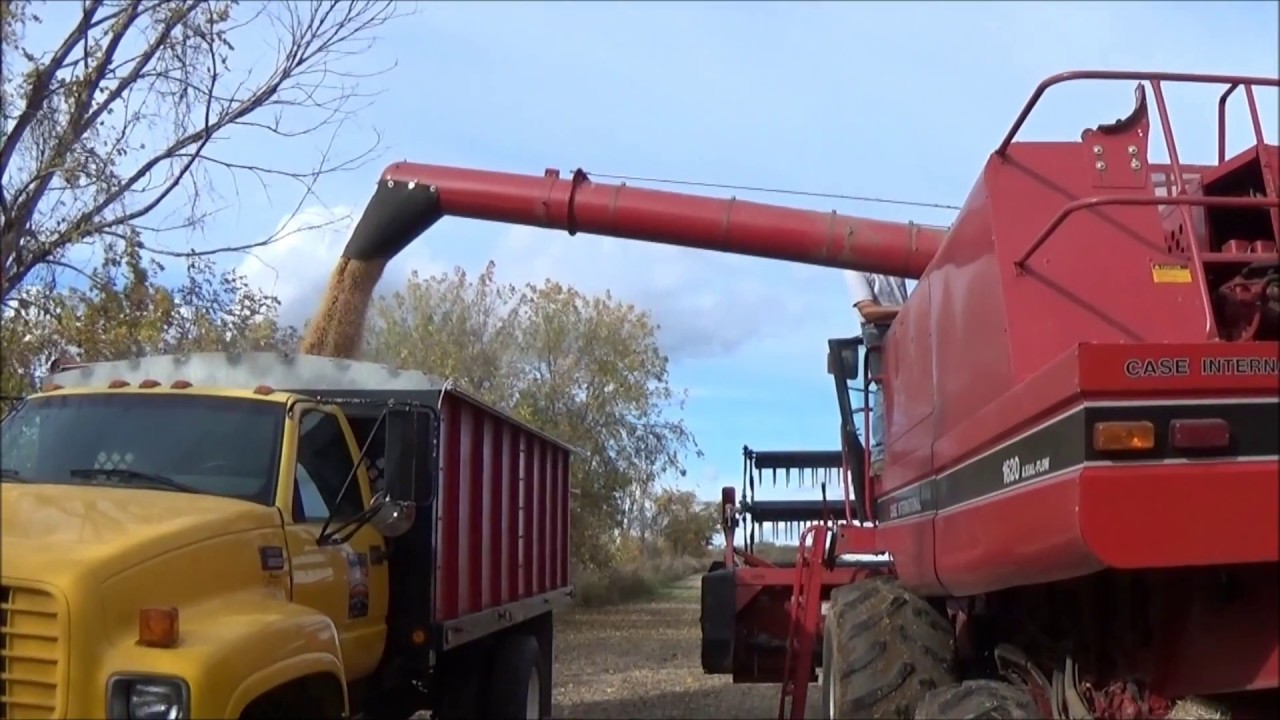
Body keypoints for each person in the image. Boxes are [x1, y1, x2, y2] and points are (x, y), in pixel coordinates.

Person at [843, 270, 910, 475]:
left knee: (908, 384)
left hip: (904, 321)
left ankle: (907, 438)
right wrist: (907, 308)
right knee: (885, 383)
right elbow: (868, 311)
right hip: (877, 328)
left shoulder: (891, 260)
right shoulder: (854, 269)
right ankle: (881, 451)